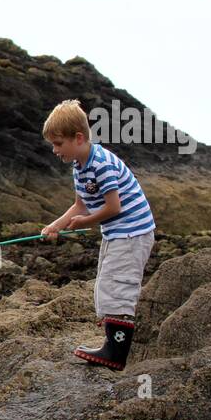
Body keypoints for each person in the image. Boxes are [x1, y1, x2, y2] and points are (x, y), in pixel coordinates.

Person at [39, 99, 155, 370]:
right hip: (117, 233)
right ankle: (112, 346)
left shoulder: (100, 163)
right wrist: (56, 225)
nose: (55, 150)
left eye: (58, 144)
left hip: (132, 233)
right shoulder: (80, 165)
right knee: (105, 284)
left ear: (78, 138)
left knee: (118, 286)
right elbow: (80, 204)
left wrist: (84, 223)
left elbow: (114, 207)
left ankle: (116, 353)